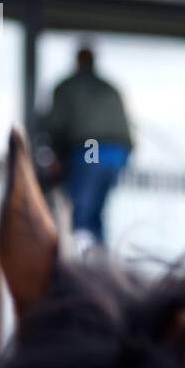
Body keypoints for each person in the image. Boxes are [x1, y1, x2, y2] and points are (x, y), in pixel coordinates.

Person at [45, 43, 133, 251]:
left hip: (92, 149)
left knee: (81, 211)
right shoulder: (109, 87)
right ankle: (99, 259)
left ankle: (82, 264)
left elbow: (56, 124)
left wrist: (56, 155)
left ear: (77, 61)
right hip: (118, 153)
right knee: (96, 212)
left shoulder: (67, 86)